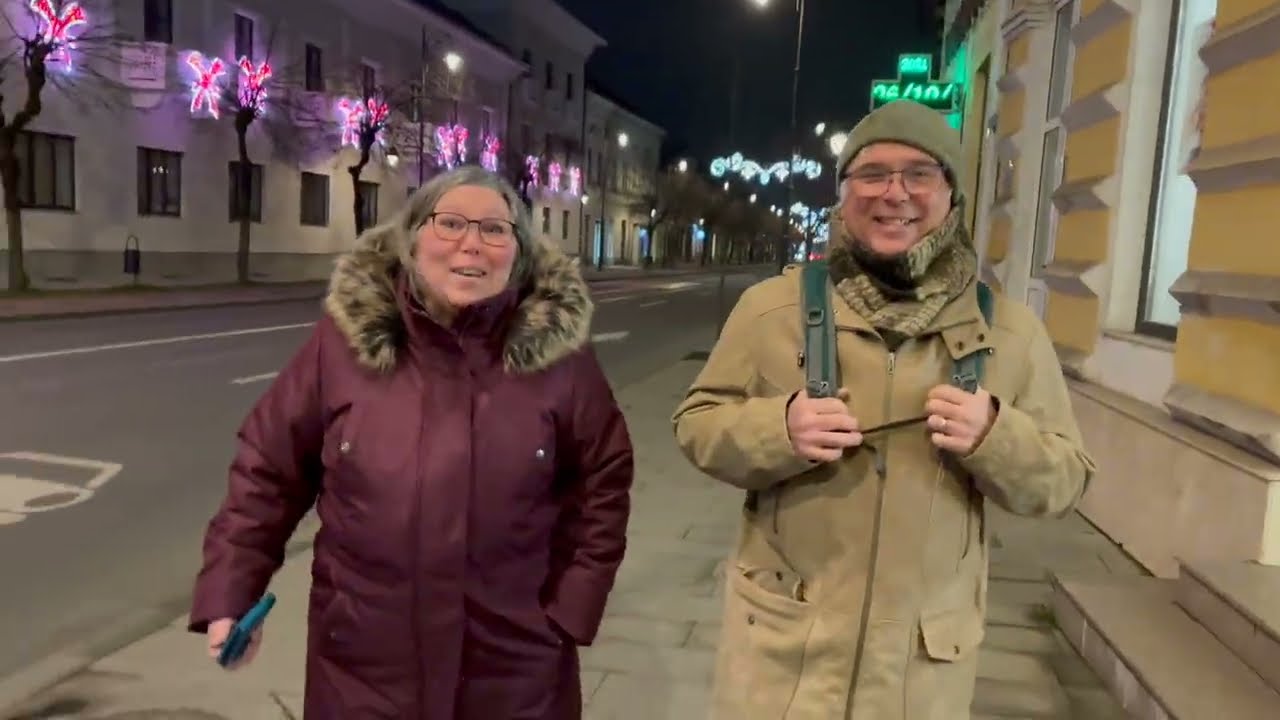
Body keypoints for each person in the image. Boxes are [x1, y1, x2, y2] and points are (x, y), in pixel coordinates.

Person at [672, 100, 1095, 719]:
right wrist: (777, 428)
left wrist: (996, 436)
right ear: (844, 195)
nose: (894, 193)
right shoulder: (771, 309)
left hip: (918, 676)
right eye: (871, 174)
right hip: (783, 663)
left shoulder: (1012, 333)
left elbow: (1066, 481)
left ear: (952, 195)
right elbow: (697, 423)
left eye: (920, 173)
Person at [189, 165, 634, 719]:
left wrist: (570, 610)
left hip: (515, 674)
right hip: (361, 671)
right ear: (413, 236)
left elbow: (603, 483)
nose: (471, 243)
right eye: (450, 223)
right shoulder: (344, 343)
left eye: (495, 230)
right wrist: (232, 593)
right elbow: (267, 470)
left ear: (517, 253)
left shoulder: (560, 360)